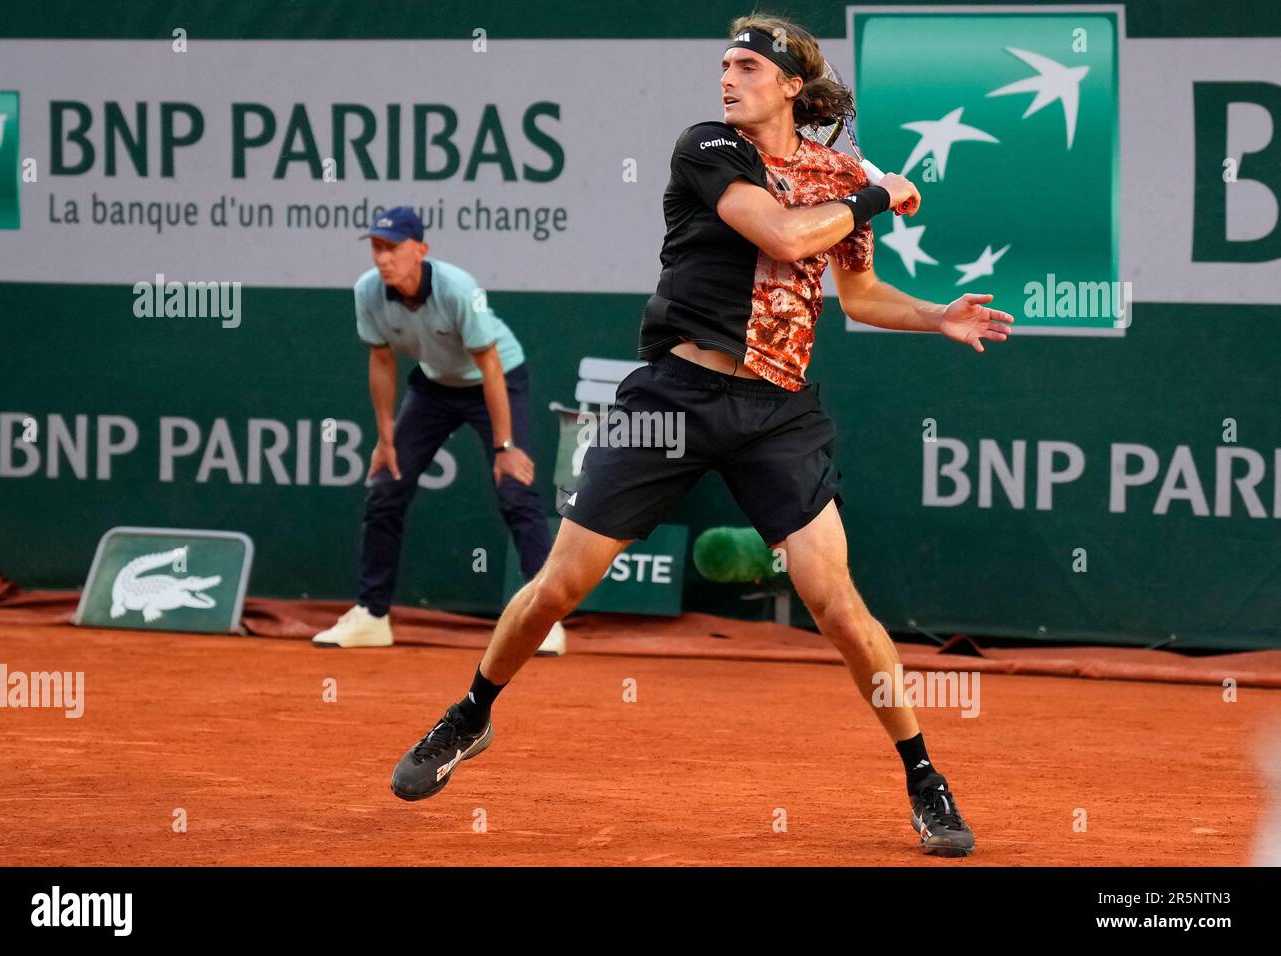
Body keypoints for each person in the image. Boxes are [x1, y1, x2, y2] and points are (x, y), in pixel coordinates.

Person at [388, 15, 1013, 857]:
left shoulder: (834, 171)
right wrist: (873, 192)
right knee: (560, 583)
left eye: (749, 67)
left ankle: (923, 777)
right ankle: (470, 714)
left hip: (778, 413)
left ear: (792, 85)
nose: (728, 79)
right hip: (673, 395)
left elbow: (859, 299)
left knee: (839, 606)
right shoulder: (709, 147)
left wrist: (937, 314)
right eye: (724, 65)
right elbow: (787, 235)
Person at [312, 206, 566, 656]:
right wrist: (386, 437)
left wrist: (504, 447)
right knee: (385, 488)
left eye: (392, 248)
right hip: (433, 386)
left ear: (420, 250)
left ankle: (543, 621)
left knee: (515, 490)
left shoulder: (458, 289)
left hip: (497, 379)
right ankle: (371, 616)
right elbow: (382, 360)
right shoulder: (368, 292)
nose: (382, 258)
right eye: (376, 248)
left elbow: (490, 365)